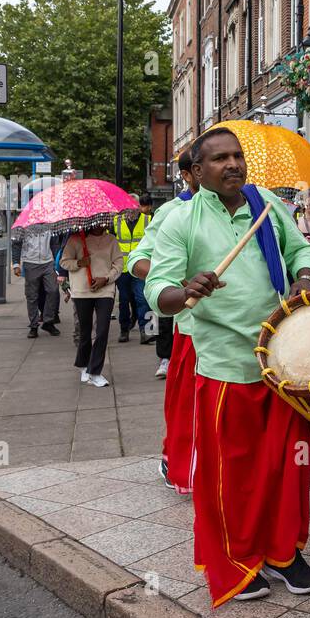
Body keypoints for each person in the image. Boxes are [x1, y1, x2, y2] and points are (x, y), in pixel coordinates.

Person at [145, 126, 310, 606]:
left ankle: (283, 552)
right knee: (232, 473)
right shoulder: (181, 220)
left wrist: (303, 277)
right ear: (198, 171)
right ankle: (236, 557)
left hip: (284, 360)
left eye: (237, 156)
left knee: (288, 466)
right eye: (220, 159)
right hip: (226, 367)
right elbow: (156, 287)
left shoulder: (265, 204)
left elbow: (300, 250)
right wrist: (184, 291)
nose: (232, 165)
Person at [128, 149, 198, 489]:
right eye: (204, 166)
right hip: (191, 326)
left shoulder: (249, 207)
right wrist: (175, 281)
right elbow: (138, 260)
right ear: (188, 174)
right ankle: (179, 462)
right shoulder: (172, 212)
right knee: (188, 404)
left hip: (244, 332)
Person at [61, 223, 123, 387]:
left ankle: (95, 371)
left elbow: (119, 264)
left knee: (102, 330)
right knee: (85, 330)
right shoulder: (76, 239)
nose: (100, 225)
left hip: (105, 290)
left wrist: (106, 279)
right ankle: (82, 365)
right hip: (82, 290)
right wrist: (80, 263)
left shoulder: (111, 240)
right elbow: (64, 262)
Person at [114, 201, 154, 344]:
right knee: (123, 301)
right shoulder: (116, 222)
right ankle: (124, 330)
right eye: (127, 208)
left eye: (133, 207)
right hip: (123, 268)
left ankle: (148, 332)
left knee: (144, 298)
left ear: (138, 207)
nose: (131, 210)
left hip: (141, 267)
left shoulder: (147, 219)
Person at [11, 225, 61, 338]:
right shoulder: (23, 225)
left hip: (48, 262)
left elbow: (55, 244)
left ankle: (48, 321)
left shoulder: (50, 224)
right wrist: (16, 264)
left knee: (53, 290)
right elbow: (16, 244)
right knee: (32, 296)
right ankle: (34, 326)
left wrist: (57, 263)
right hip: (30, 262)